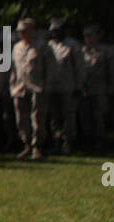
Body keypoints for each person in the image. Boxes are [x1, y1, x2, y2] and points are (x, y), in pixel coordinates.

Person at [44, 19, 85, 156]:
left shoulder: (73, 45)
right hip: (52, 87)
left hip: (68, 87)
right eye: (53, 31)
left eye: (57, 31)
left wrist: (79, 86)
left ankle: (69, 142)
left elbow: (79, 67)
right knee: (54, 117)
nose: (55, 34)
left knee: (69, 116)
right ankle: (57, 141)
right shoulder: (48, 46)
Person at [11, 17, 49, 160]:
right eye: (20, 31)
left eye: (24, 31)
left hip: (37, 87)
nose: (21, 34)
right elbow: (14, 69)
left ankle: (37, 147)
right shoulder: (17, 47)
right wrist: (12, 85)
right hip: (20, 88)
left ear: (32, 31)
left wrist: (47, 86)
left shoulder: (42, 46)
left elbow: (50, 68)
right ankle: (26, 144)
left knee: (37, 118)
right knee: (22, 118)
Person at [80, 24, 114, 151]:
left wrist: (111, 87)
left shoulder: (106, 50)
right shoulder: (82, 51)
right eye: (85, 36)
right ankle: (88, 140)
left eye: (90, 36)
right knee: (85, 116)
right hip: (85, 90)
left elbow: (112, 70)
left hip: (100, 88)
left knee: (99, 116)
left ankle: (100, 140)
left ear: (97, 36)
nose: (88, 39)